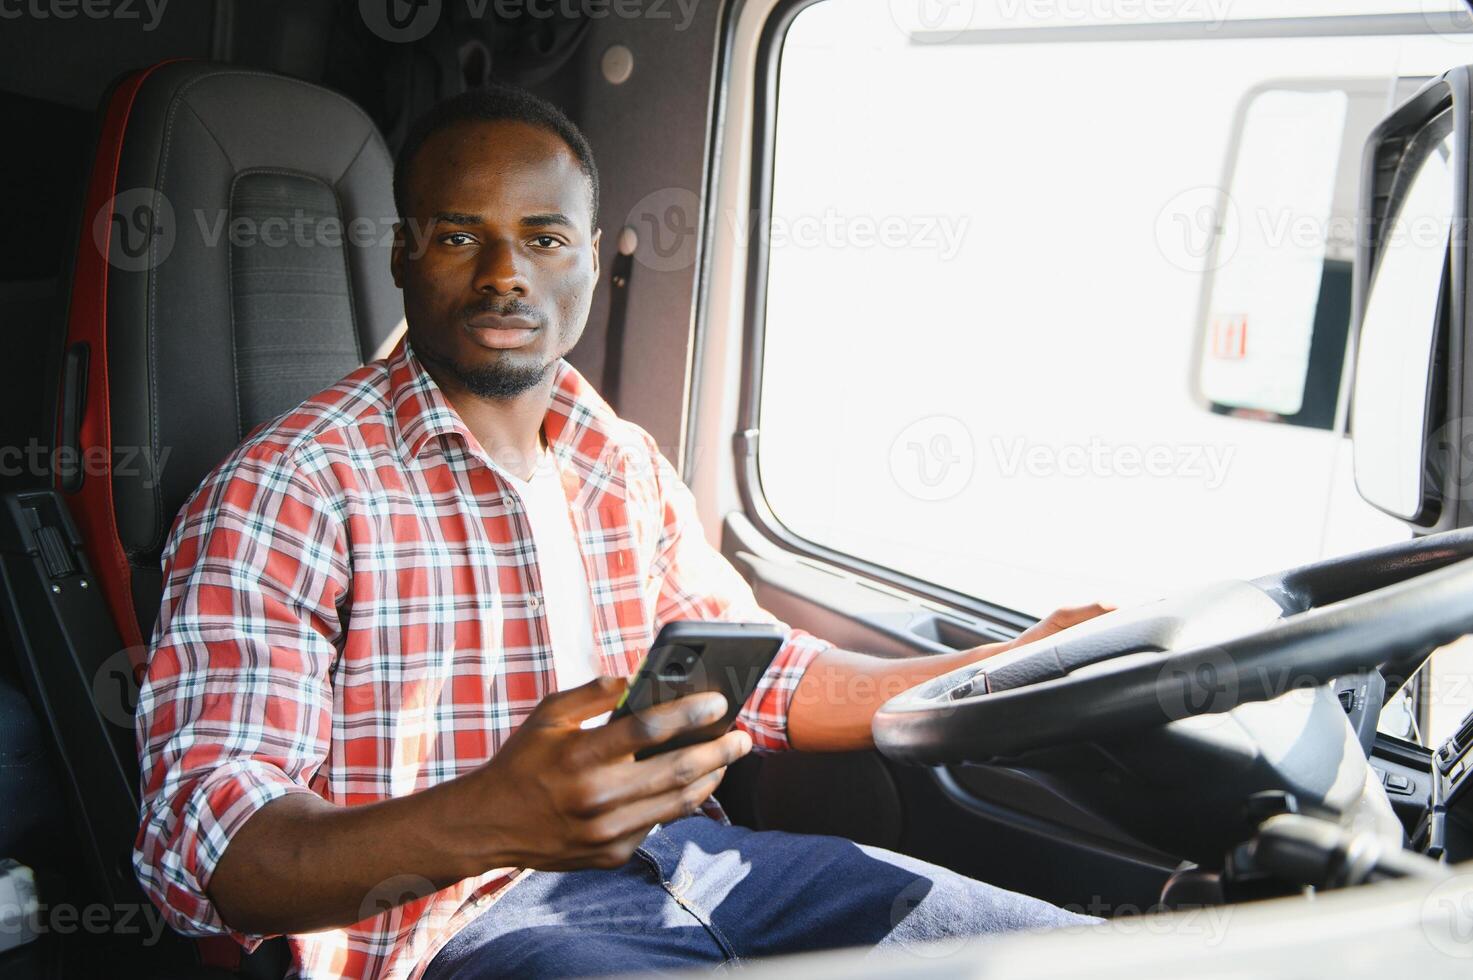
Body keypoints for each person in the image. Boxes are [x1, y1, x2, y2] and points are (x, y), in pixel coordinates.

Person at [132, 84, 1109, 980]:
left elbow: (755, 673)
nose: (506, 274)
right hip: (451, 926)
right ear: (402, 254)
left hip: (702, 863)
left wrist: (1008, 664)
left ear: (592, 257)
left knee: (1088, 957)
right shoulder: (288, 487)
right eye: (461, 236)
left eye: (545, 237)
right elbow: (202, 849)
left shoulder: (618, 457)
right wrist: (486, 817)